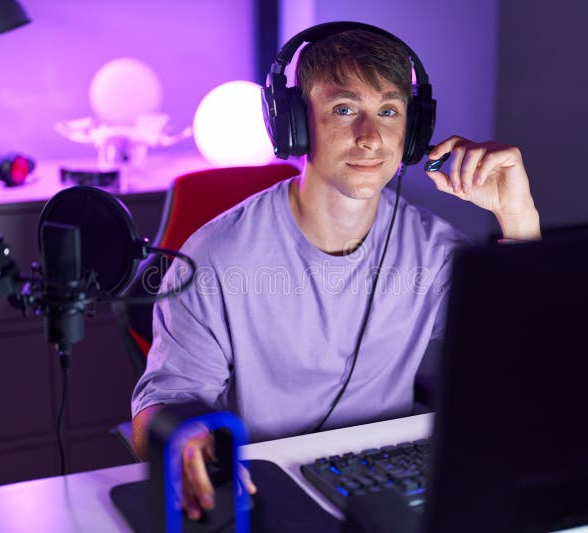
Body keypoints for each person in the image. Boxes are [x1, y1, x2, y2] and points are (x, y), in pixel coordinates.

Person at [131, 25, 541, 520]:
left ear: (412, 130)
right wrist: (181, 438)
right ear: (294, 125)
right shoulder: (217, 256)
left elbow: (524, 362)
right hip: (266, 488)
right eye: (345, 109)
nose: (371, 137)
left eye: (388, 111)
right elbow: (164, 402)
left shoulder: (434, 250)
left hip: (384, 485)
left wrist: (518, 219)